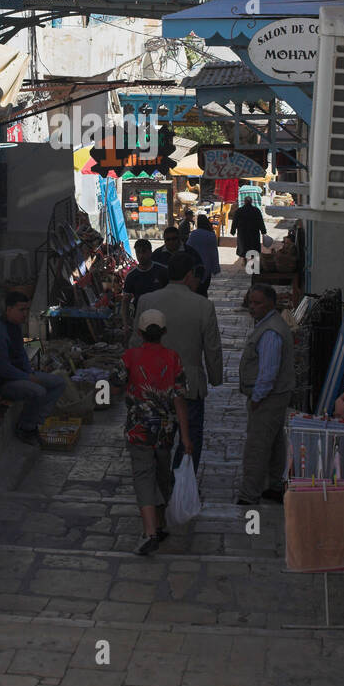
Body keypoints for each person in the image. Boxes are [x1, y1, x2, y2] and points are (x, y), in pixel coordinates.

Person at [134, 250, 223, 474]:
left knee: (155, 437)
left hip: (153, 384)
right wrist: (215, 378)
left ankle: (158, 480)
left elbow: (135, 343)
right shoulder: (203, 306)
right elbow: (212, 348)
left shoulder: (147, 301)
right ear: (189, 275)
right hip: (189, 385)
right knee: (189, 439)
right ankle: (182, 483)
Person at [122, 309, 193, 556]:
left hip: (138, 430)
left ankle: (150, 532)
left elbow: (115, 382)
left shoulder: (130, 356)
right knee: (162, 474)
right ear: (164, 332)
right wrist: (185, 437)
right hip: (165, 431)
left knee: (143, 476)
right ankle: (160, 524)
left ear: (140, 333)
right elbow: (180, 400)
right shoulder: (173, 358)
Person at [237, 284, 295, 505]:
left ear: (271, 303)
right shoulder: (269, 324)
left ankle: (249, 494)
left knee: (257, 445)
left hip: (269, 397)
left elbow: (268, 371)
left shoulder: (271, 331)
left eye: (257, 303)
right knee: (274, 441)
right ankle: (276, 485)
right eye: (250, 302)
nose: (252, 307)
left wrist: (257, 397)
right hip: (276, 395)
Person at [0, 291, 65, 444]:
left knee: (59, 383)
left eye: (27, 309)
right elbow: (3, 368)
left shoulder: (15, 327)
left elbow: (21, 355)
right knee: (38, 391)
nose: (25, 314)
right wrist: (28, 378)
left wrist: (30, 372)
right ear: (9, 309)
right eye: (21, 310)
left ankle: (34, 422)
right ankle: (25, 427)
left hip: (20, 376)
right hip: (2, 382)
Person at [121, 238, 168, 334]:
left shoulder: (162, 271)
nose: (141, 256)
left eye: (144, 252)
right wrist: (126, 324)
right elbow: (125, 301)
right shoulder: (131, 276)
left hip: (161, 317)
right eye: (138, 252)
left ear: (150, 252)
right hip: (140, 319)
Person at [186, 214, 220, 297]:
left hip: (195, 266)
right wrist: (215, 267)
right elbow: (214, 253)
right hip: (207, 265)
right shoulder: (212, 235)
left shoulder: (194, 234)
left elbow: (188, 249)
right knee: (204, 289)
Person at [231, 197, 266, 273]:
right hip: (254, 232)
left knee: (244, 246)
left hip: (243, 233)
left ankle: (244, 259)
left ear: (244, 202)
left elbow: (235, 221)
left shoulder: (239, 211)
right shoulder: (256, 210)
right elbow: (260, 221)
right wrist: (263, 231)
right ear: (251, 202)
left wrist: (233, 230)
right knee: (253, 246)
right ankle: (254, 263)